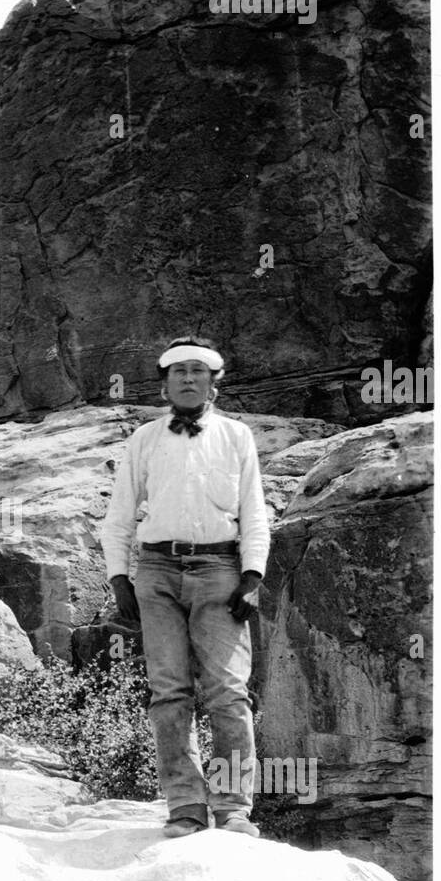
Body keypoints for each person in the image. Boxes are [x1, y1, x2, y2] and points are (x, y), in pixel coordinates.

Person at [99, 336, 270, 837]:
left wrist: (253, 574)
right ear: (165, 383)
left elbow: (254, 512)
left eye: (199, 371)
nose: (189, 379)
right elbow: (119, 516)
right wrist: (118, 578)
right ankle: (185, 809)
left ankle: (234, 808)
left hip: (220, 569)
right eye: (179, 372)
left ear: (214, 383)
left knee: (228, 693)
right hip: (156, 571)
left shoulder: (237, 436)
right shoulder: (145, 439)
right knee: (169, 693)